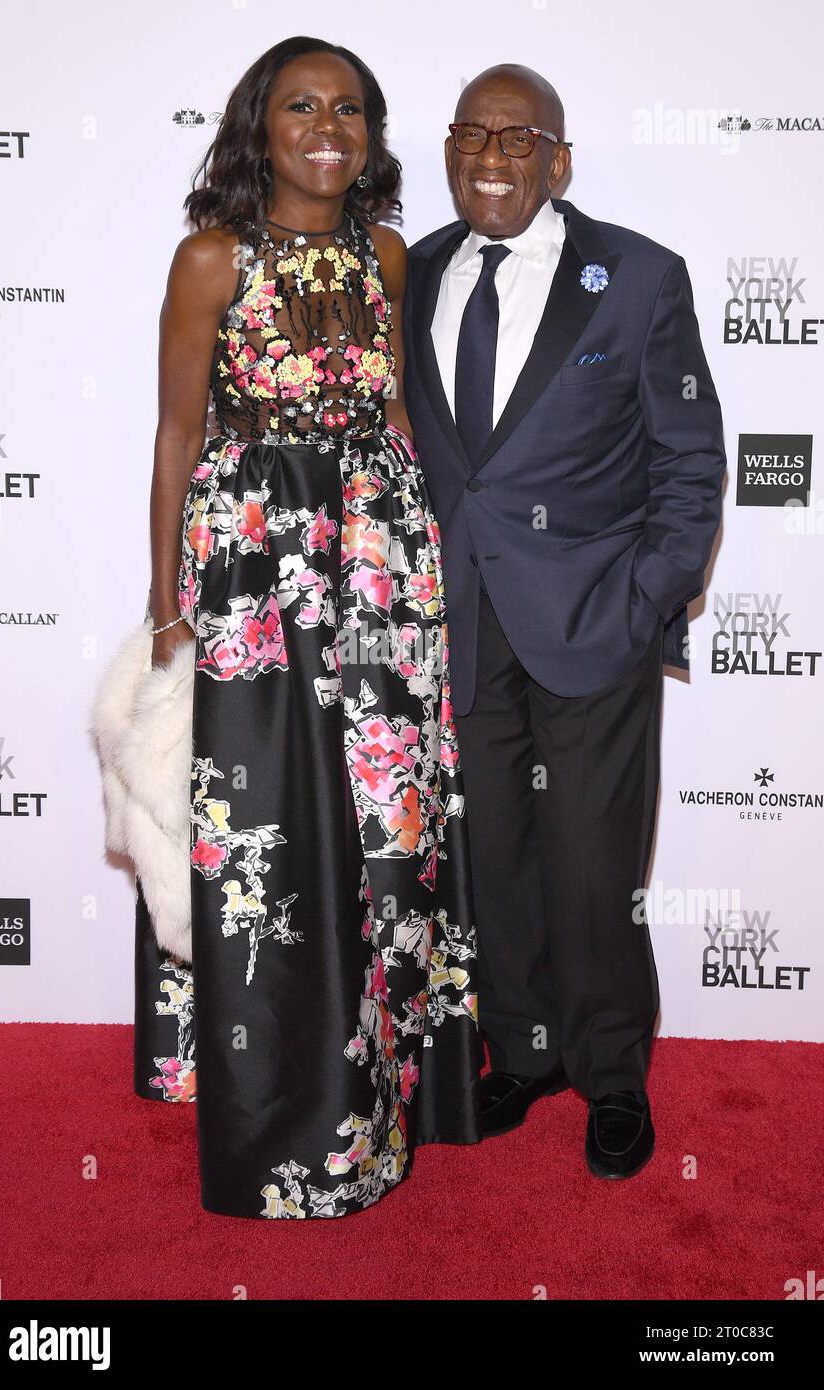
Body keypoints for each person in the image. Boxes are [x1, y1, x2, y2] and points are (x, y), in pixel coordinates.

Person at [134, 35, 482, 1220]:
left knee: (385, 822)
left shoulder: (386, 253)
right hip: (252, 564)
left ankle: (392, 1095)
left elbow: (390, 410)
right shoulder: (210, 260)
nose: (326, 125)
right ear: (259, 126)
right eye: (300, 104)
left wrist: (418, 564)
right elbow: (179, 438)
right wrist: (166, 608)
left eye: (348, 107)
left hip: (377, 559)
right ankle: (271, 1105)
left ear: (370, 135)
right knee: (268, 827)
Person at [403, 65, 725, 1178]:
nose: (489, 158)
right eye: (469, 136)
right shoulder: (417, 271)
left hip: (594, 621)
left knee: (594, 867)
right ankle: (525, 1049)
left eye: (517, 137)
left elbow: (688, 460)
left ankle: (612, 1073)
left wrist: (647, 601)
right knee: (491, 855)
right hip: (463, 625)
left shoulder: (636, 277)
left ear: (558, 159)